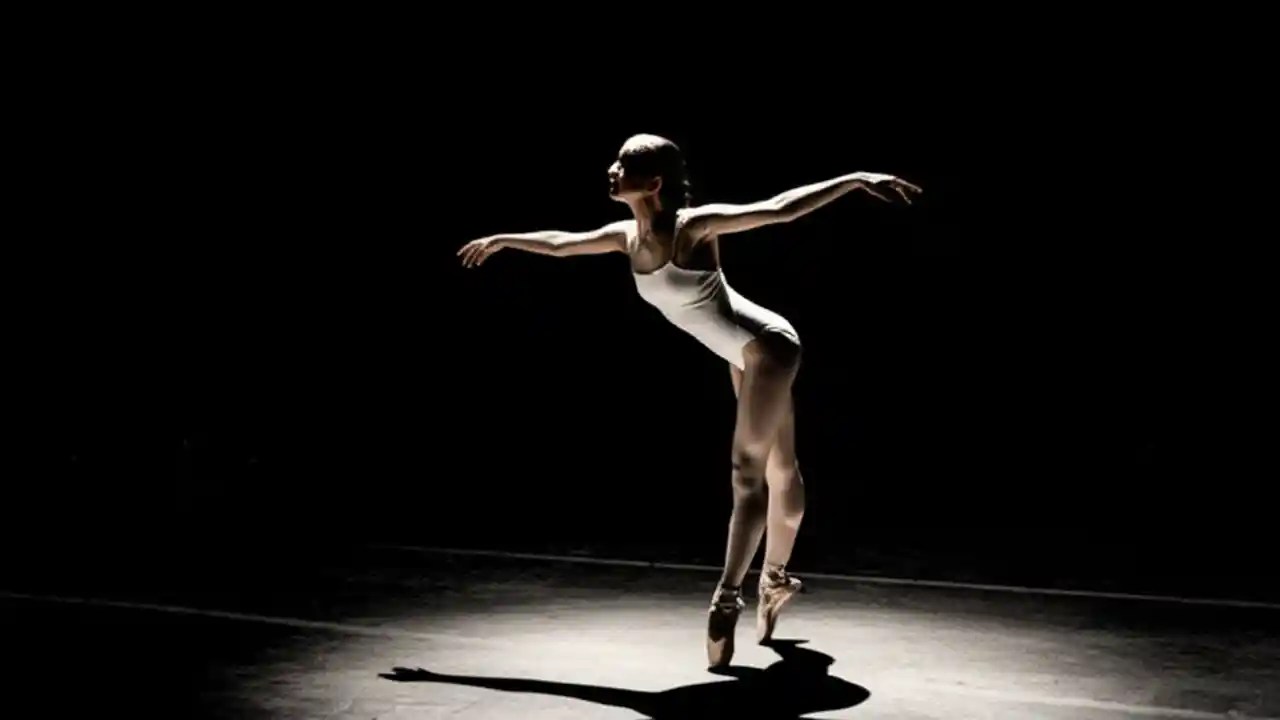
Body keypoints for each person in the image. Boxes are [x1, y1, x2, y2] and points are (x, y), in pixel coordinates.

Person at [457, 134, 921, 667]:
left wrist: (855, 179)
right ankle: (774, 581)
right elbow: (562, 243)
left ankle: (728, 598)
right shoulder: (624, 236)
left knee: (749, 473)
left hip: (767, 348)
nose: (610, 169)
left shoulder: (693, 226)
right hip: (741, 355)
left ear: (653, 183)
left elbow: (776, 210)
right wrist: (503, 239)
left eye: (623, 164)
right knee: (782, 468)